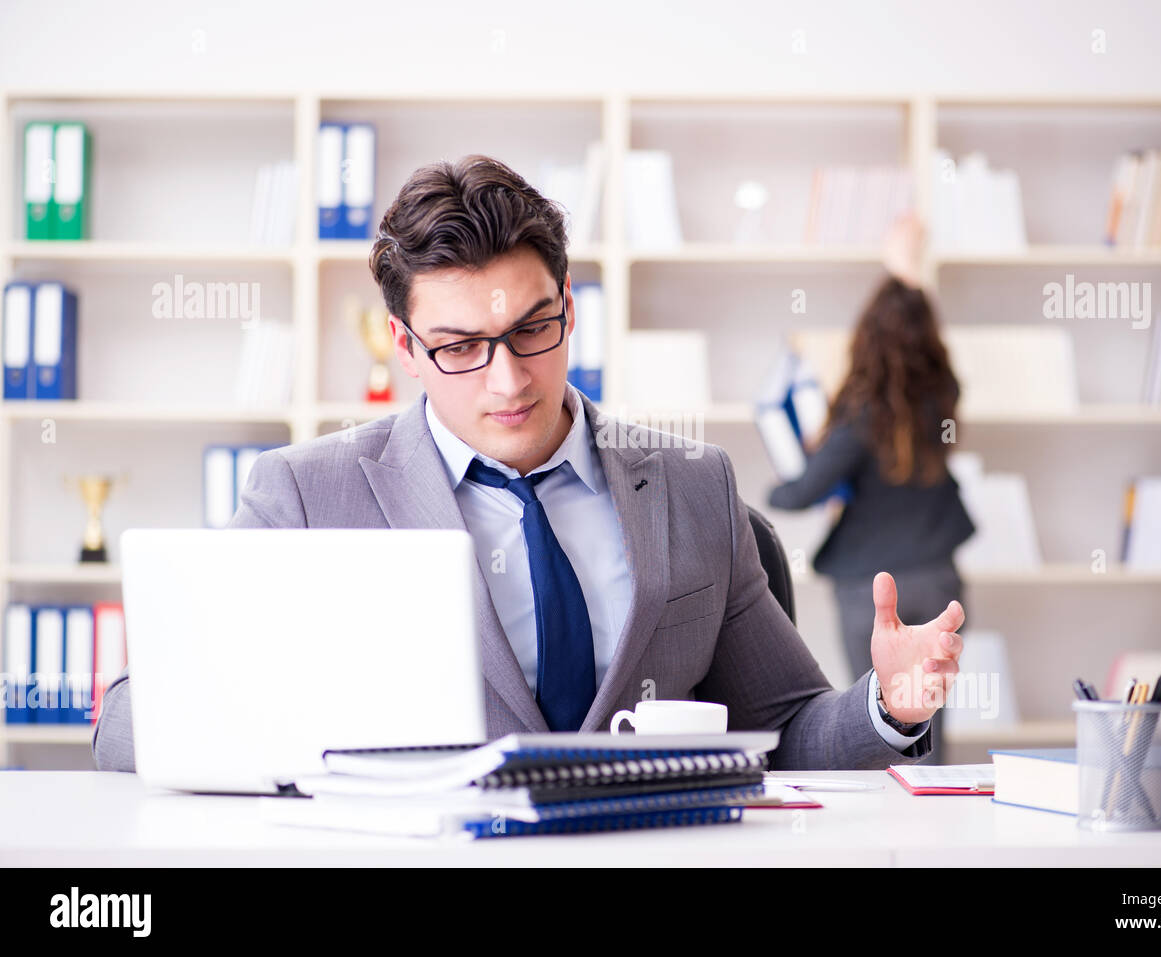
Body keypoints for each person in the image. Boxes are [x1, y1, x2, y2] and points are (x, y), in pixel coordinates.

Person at [91, 156, 966, 773]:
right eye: (461, 346)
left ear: (570, 308)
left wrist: (889, 705)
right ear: (402, 344)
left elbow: (790, 732)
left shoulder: (696, 486)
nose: (509, 379)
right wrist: (313, 713)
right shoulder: (311, 494)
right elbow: (127, 723)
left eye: (531, 330)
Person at [767, 215, 975, 764]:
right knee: (929, 720)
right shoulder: (943, 394)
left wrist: (785, 481)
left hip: (872, 588)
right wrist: (904, 271)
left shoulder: (861, 413)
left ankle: (892, 846)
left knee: (883, 724)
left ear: (866, 341)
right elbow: (926, 338)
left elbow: (799, 494)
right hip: (939, 573)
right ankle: (934, 839)